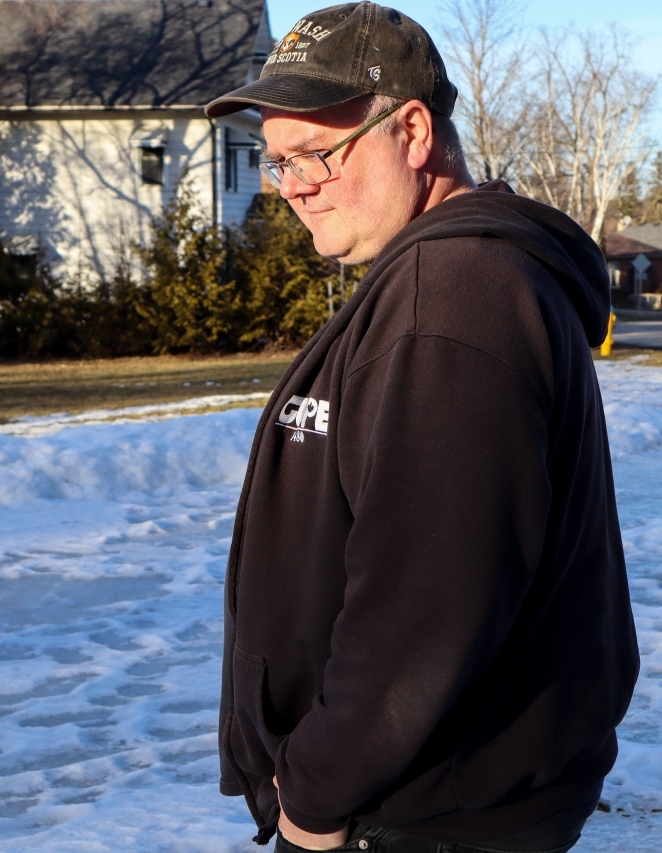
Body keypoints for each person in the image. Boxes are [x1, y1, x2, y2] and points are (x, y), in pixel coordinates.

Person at [205, 3, 638, 851]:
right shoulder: (448, 275)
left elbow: (428, 601)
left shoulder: (454, 296)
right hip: (427, 795)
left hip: (424, 812)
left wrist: (316, 797)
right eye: (276, 160)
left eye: (315, 155)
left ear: (411, 131)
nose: (292, 187)